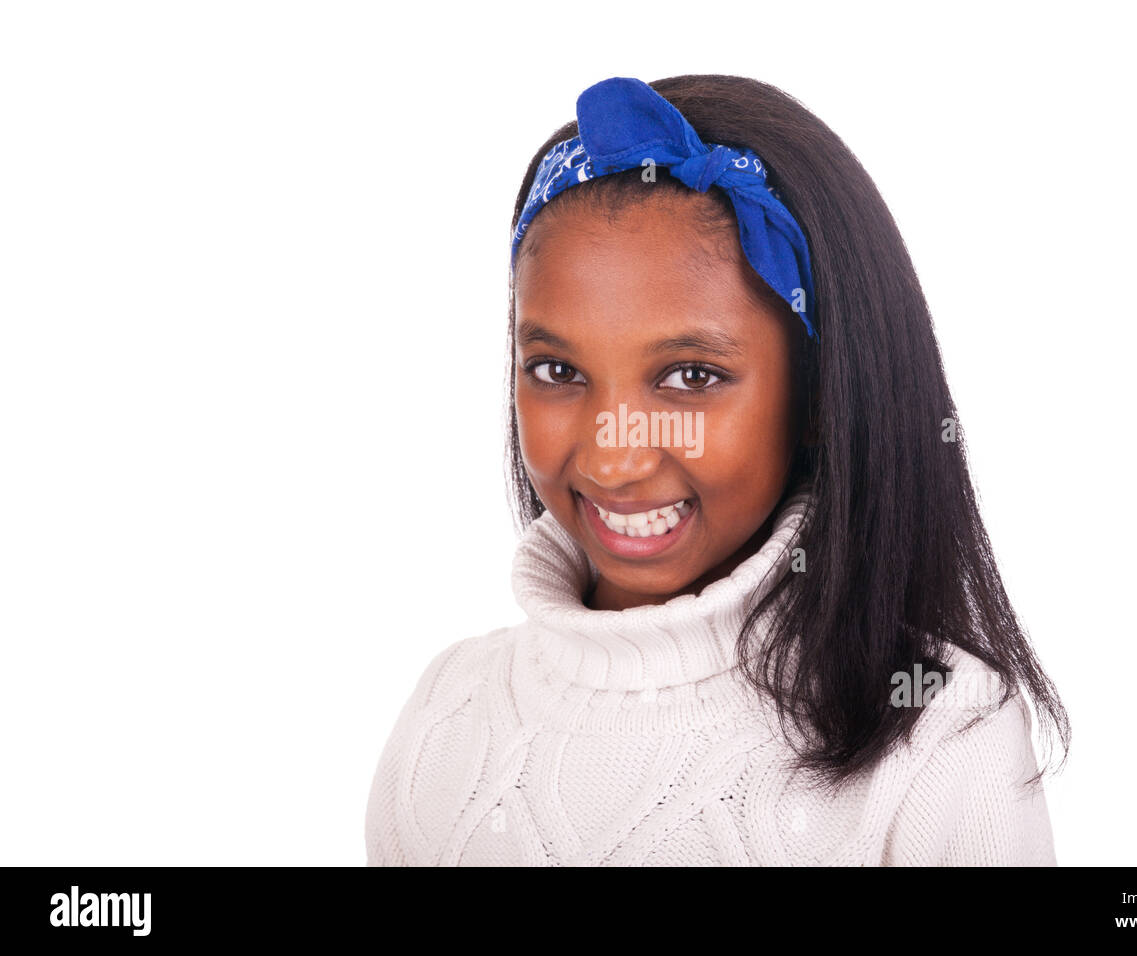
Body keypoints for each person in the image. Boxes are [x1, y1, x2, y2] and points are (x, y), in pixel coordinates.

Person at [364, 75, 1070, 866]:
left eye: (691, 377)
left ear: (816, 395)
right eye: (558, 371)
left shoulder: (940, 733)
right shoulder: (445, 712)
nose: (614, 456)